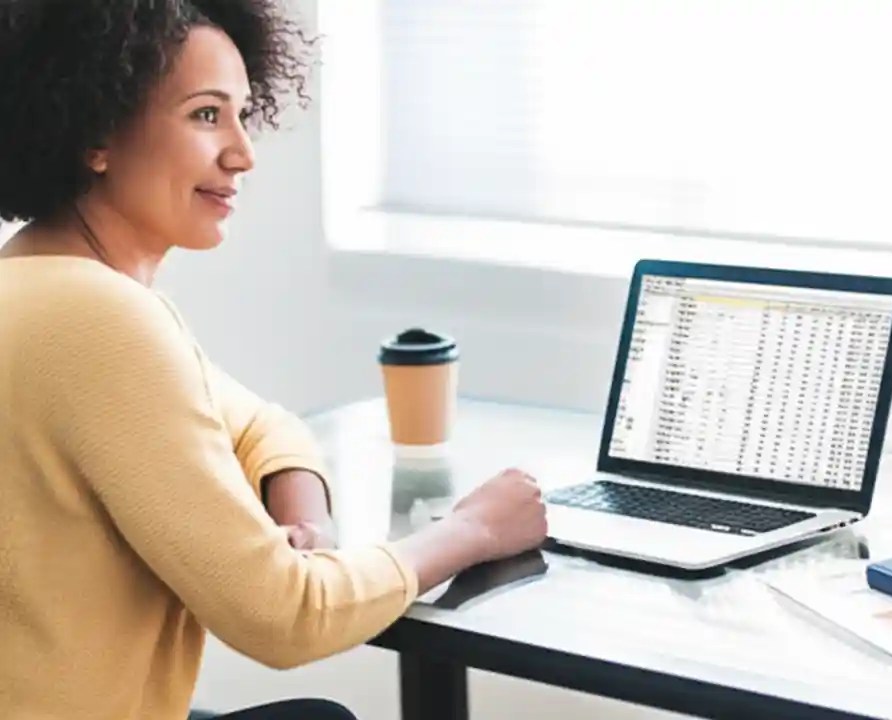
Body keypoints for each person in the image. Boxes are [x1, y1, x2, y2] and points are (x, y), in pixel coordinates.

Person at [0, 2, 548, 719]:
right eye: (205, 115)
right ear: (96, 133)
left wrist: (307, 524)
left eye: (242, 114)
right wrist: (473, 530)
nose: (242, 153)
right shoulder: (98, 318)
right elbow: (285, 619)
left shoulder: (34, 283)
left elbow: (264, 426)